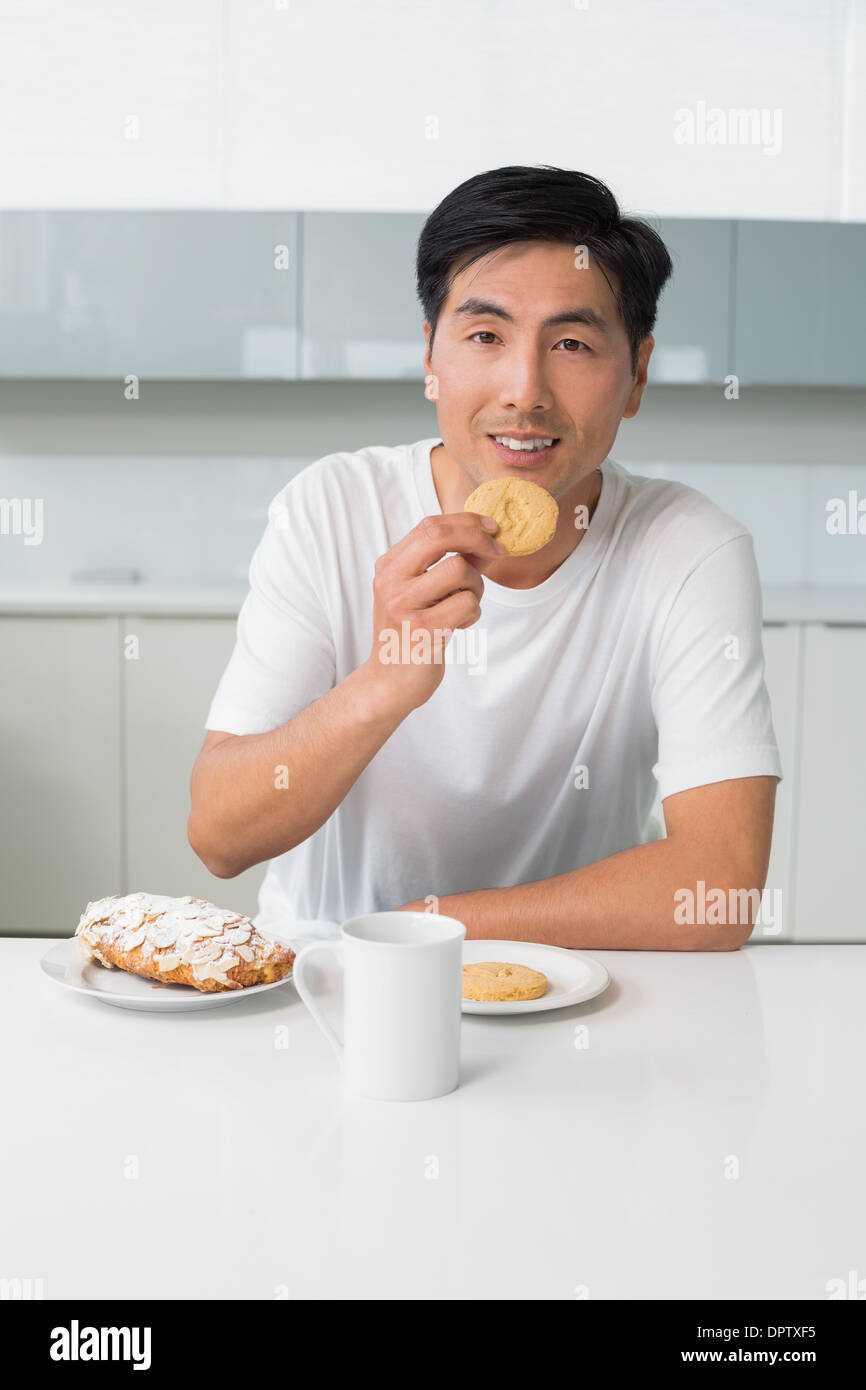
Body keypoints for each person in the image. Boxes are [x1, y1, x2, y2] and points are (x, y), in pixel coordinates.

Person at [188, 164, 781, 952]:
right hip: (327, 985)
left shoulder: (691, 550)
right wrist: (384, 683)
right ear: (431, 354)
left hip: (574, 989)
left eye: (571, 343)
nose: (525, 390)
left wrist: (416, 931)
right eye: (485, 336)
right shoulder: (329, 508)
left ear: (637, 375)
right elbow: (219, 837)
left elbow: (719, 886)